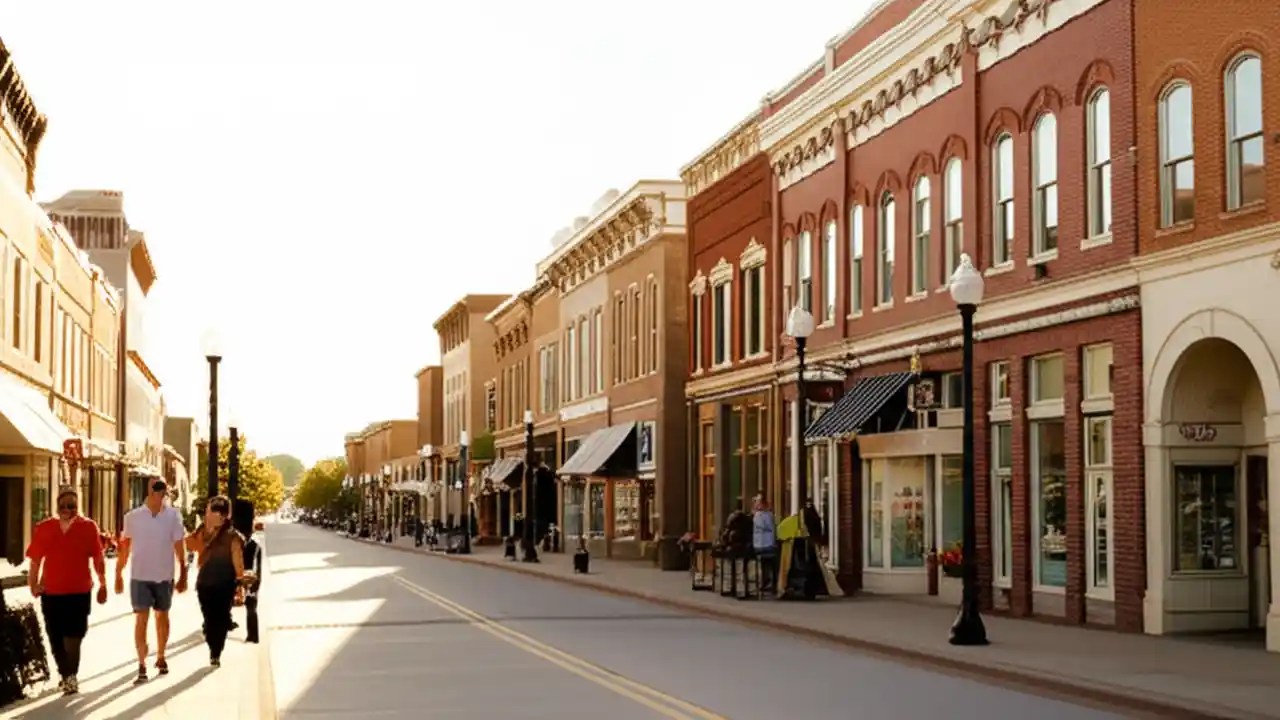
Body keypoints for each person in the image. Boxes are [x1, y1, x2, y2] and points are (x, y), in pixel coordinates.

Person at [25, 487, 108, 695]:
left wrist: (103, 583)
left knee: (75, 636)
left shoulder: (88, 527)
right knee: (55, 637)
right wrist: (33, 585)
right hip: (51, 593)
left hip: (79, 592)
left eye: (71, 506)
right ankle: (66, 675)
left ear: (77, 507)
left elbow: (98, 557)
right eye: (63, 505)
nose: (66, 509)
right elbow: (35, 560)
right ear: (56, 506)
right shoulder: (45, 528)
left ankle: (71, 675)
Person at [115, 479, 188, 684]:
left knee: (162, 617)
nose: (159, 492)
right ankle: (141, 663)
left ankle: (161, 656)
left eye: (162, 488)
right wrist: (118, 573)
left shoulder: (173, 516)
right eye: (155, 487)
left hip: (164, 576)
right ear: (148, 489)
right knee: (141, 619)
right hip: (140, 576)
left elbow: (179, 545)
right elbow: (125, 547)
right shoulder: (133, 517)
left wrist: (184, 572)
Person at [185, 496, 247, 666]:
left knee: (218, 619)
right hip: (204, 583)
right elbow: (189, 545)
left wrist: (240, 583)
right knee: (209, 618)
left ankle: (216, 651)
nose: (206, 514)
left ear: (222, 515)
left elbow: (238, 561)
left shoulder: (233, 536)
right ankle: (215, 642)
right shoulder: (202, 532)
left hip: (225, 584)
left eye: (209, 511)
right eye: (207, 511)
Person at [751, 495, 778, 594]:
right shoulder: (764, 515)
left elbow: (767, 527)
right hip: (763, 544)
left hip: (766, 544)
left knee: (769, 564)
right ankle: (767, 582)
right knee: (766, 564)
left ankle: (769, 583)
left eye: (758, 502)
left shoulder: (762, 515)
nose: (756, 504)